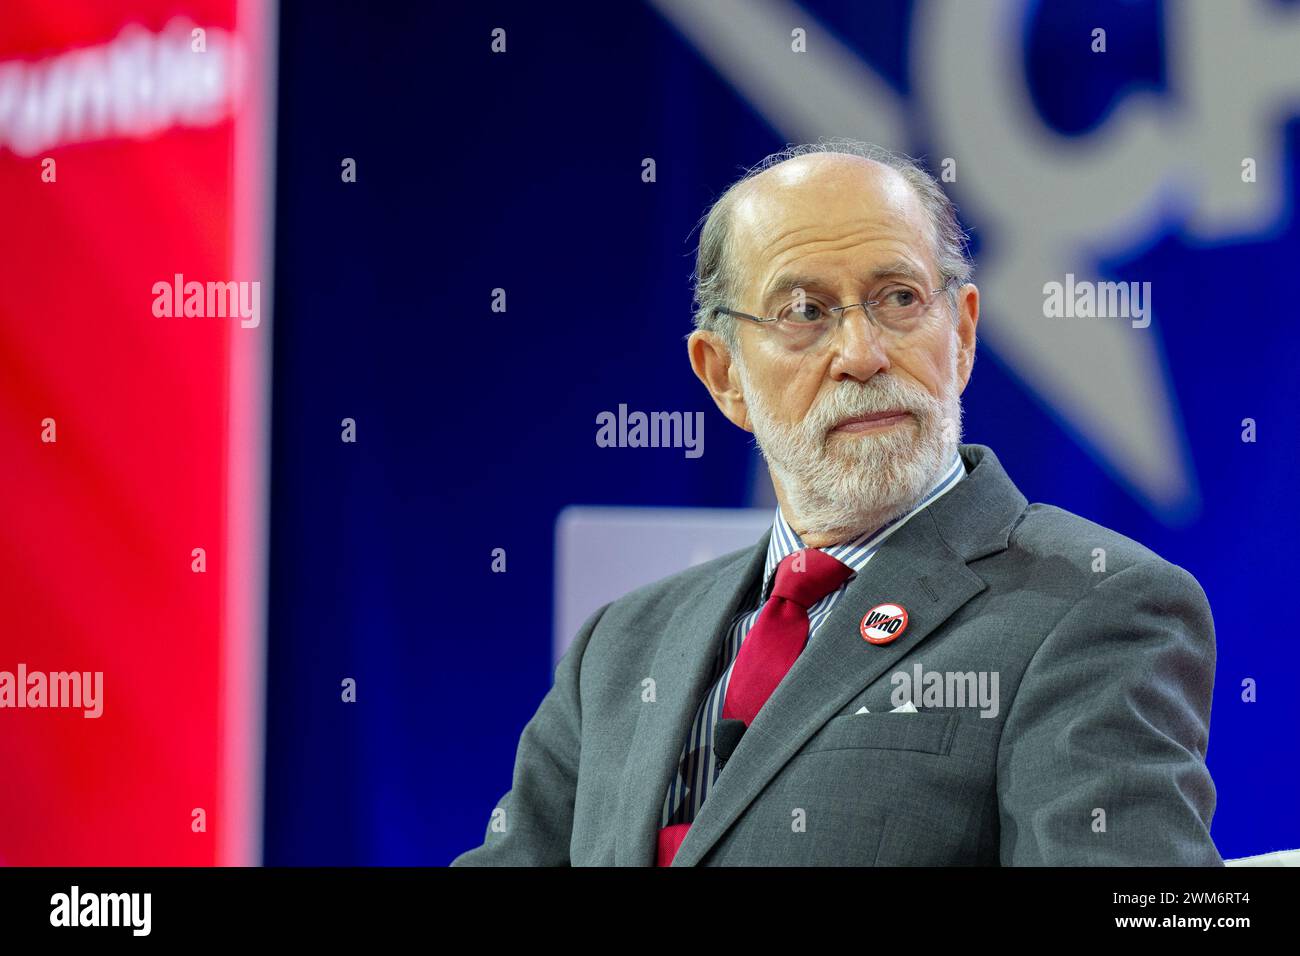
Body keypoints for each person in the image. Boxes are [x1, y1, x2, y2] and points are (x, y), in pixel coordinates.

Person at [451, 140, 1221, 866]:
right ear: (722, 375)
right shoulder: (622, 646)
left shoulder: (1096, 606)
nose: (862, 354)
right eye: (805, 313)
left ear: (961, 335)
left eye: (898, 297)